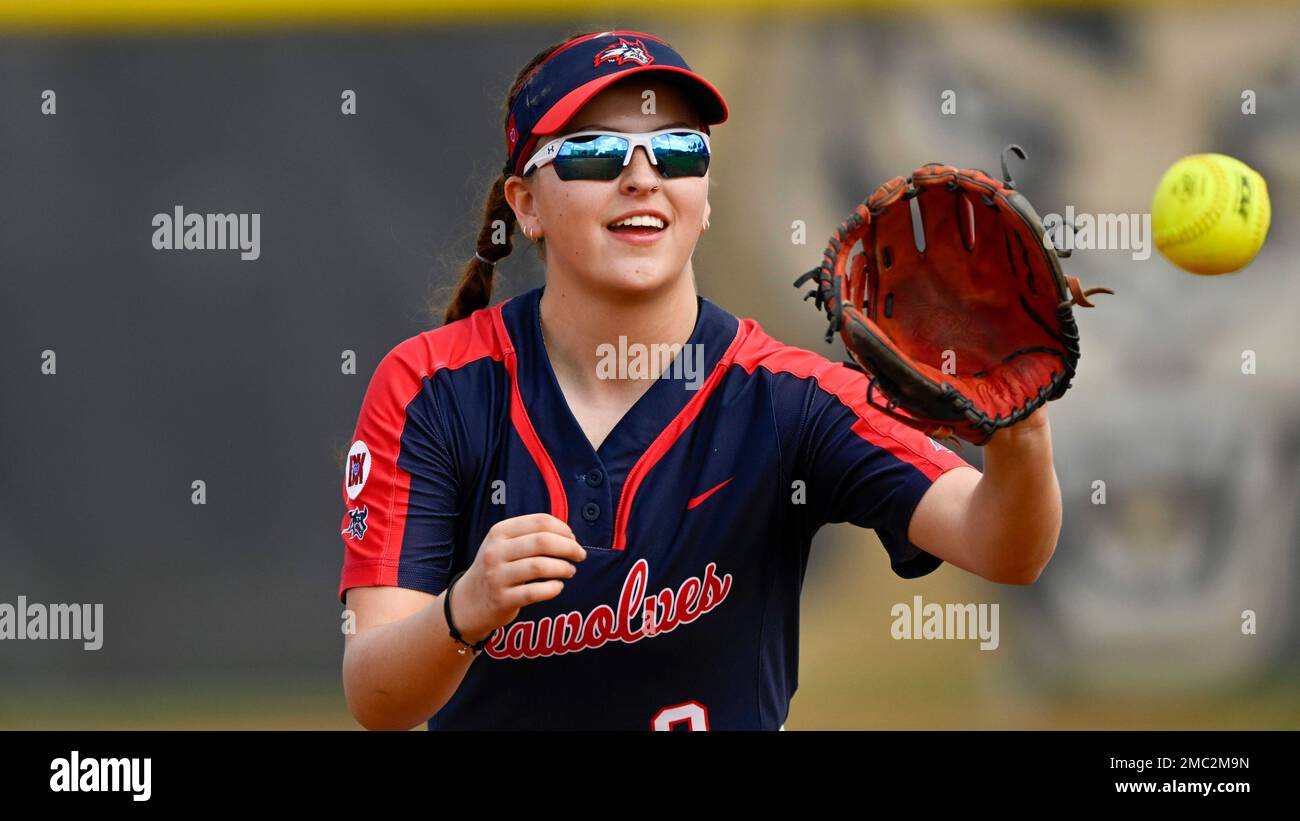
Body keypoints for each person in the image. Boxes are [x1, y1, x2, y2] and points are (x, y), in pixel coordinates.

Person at [337, 29, 1062, 730]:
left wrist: (1020, 433)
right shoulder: (435, 386)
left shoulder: (785, 398)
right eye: (595, 153)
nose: (643, 176)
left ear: (706, 196)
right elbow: (376, 695)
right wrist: (463, 609)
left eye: (680, 149)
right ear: (526, 204)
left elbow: (1003, 544)